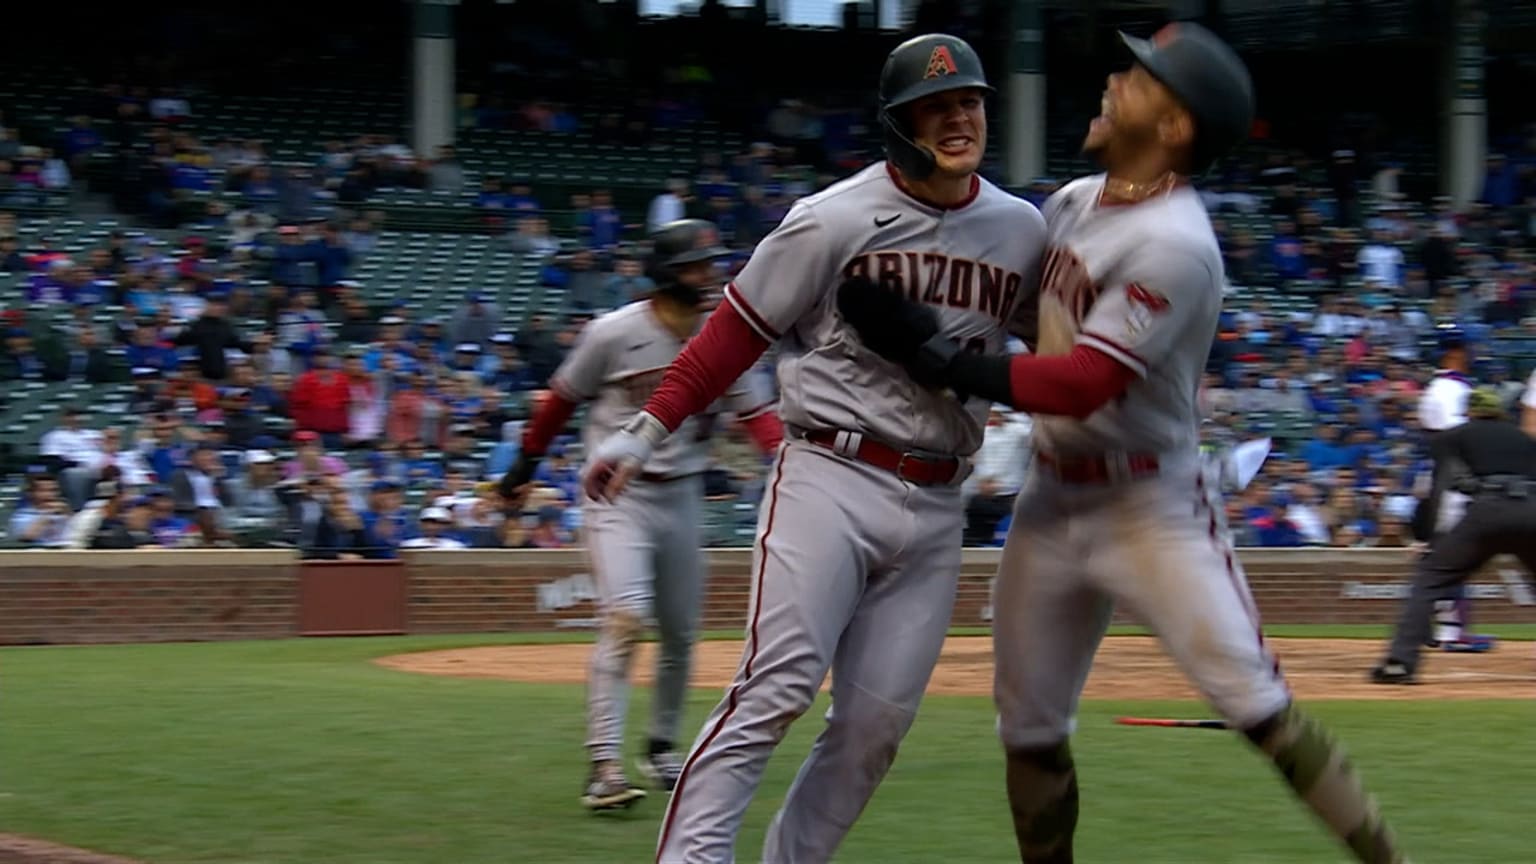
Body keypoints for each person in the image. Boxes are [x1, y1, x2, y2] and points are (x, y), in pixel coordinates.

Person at [834, 23, 1407, 864]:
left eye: (1139, 78)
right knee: (1028, 731)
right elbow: (1032, 325)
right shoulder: (1074, 203)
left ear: (1173, 126)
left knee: (1255, 705)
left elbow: (1081, 381)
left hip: (1150, 507)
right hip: (1052, 493)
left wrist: (939, 357)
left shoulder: (1176, 243)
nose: (1114, 81)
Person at [580, 34, 1046, 862]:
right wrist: (645, 430)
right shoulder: (832, 217)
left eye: (969, 102)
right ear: (899, 124)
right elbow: (732, 336)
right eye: (935, 107)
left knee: (875, 727)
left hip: (941, 497)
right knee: (775, 689)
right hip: (832, 471)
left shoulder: (1020, 230)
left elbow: (1060, 355)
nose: (958, 119)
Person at [498, 218, 784, 813]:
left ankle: (660, 747)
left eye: (711, 264)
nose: (708, 275)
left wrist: (789, 461)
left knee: (681, 632)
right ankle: (603, 764)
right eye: (695, 266)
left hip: (683, 494)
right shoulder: (613, 333)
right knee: (626, 618)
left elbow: (757, 418)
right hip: (617, 495)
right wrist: (521, 471)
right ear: (664, 273)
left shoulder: (723, 335)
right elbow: (559, 403)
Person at [1373, 387, 1536, 683]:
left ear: (1470, 410)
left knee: (1430, 579)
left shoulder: (1452, 436)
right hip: (1532, 511)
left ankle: (1399, 663)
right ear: (1500, 411)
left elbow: (1439, 489)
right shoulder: (1526, 439)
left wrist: (1427, 537)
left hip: (1488, 510)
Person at [1411, 329, 1494, 652]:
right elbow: (1457, 439)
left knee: (1447, 554)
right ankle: (1451, 631)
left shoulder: (1447, 387)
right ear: (1454, 352)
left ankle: (1430, 624)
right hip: (1452, 482)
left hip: (1447, 479)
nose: (1473, 353)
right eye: (1468, 347)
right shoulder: (1448, 390)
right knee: (1456, 554)